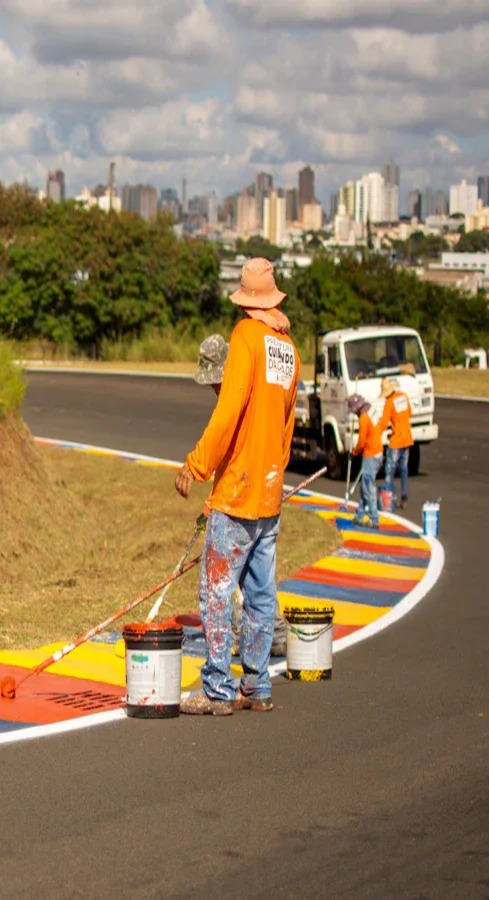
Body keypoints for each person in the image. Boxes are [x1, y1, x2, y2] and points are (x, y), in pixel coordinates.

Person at [175, 259, 300, 715]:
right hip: (269, 491)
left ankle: (217, 689)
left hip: (238, 492)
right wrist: (276, 473)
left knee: (216, 591)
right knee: (262, 594)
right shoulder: (288, 348)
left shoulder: (246, 338)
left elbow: (227, 412)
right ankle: (256, 685)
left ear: (246, 299)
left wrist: (198, 463)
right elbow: (287, 425)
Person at [194, 334, 288, 659]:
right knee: (254, 583)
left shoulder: (238, 393)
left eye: (216, 380)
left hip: (243, 499)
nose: (214, 388)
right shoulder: (251, 384)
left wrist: (195, 469)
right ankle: (261, 659)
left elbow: (224, 454)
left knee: (219, 587)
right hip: (256, 493)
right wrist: (209, 506)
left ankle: (221, 679)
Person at [377, 376, 413, 509]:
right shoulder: (403, 396)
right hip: (407, 438)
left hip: (396, 440)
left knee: (389, 470)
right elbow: (409, 413)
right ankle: (404, 497)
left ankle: (388, 498)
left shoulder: (389, 403)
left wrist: (375, 432)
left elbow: (384, 423)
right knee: (404, 469)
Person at [348, 393, 382, 528]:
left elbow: (361, 442)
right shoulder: (371, 410)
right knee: (364, 486)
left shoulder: (363, 418)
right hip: (378, 452)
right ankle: (359, 515)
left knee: (368, 488)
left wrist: (354, 452)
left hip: (370, 455)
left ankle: (374, 519)